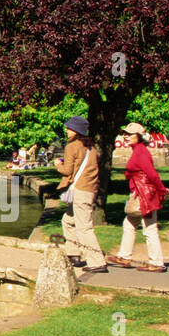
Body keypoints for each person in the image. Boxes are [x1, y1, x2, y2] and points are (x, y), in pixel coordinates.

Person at [107, 123, 169, 272]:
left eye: (130, 134)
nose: (126, 136)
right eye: (125, 134)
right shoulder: (137, 151)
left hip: (144, 195)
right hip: (139, 194)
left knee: (150, 228)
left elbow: (152, 174)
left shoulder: (141, 152)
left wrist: (162, 191)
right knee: (129, 224)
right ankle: (124, 256)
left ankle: (156, 262)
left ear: (139, 136)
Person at [55, 116, 107, 272]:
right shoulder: (90, 147)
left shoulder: (72, 146)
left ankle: (97, 261)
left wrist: (58, 165)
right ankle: (73, 254)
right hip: (90, 190)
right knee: (67, 221)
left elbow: (67, 170)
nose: (66, 130)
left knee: (84, 227)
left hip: (80, 190)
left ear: (77, 131)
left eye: (69, 128)